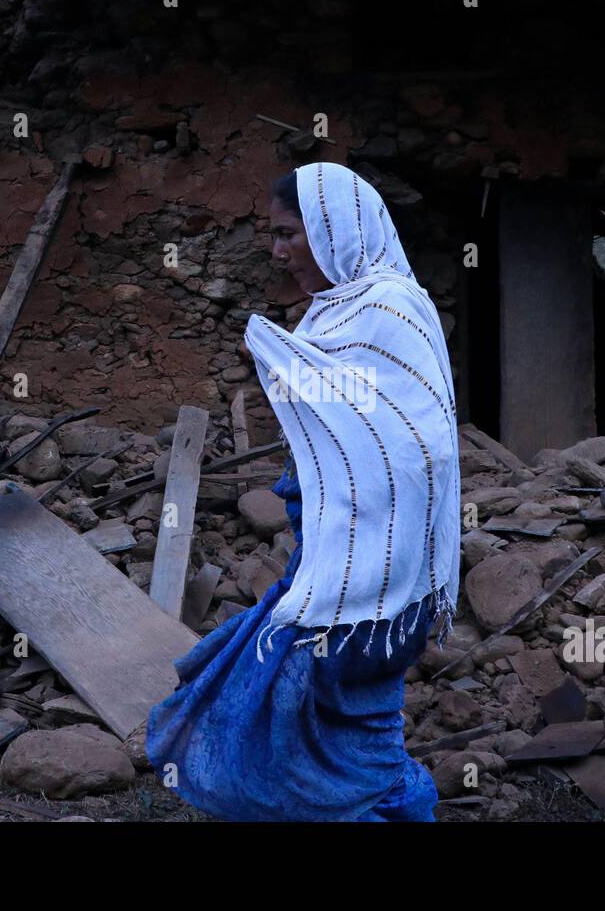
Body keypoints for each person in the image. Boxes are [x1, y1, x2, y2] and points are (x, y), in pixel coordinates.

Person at [146, 161, 460, 821]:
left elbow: (417, 452)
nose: (278, 250)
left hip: (378, 584)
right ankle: (387, 806)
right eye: (273, 234)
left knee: (334, 722)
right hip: (330, 563)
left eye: (290, 233)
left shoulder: (391, 310)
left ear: (334, 229)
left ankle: (371, 807)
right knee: (343, 728)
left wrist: (356, 551)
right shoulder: (334, 314)